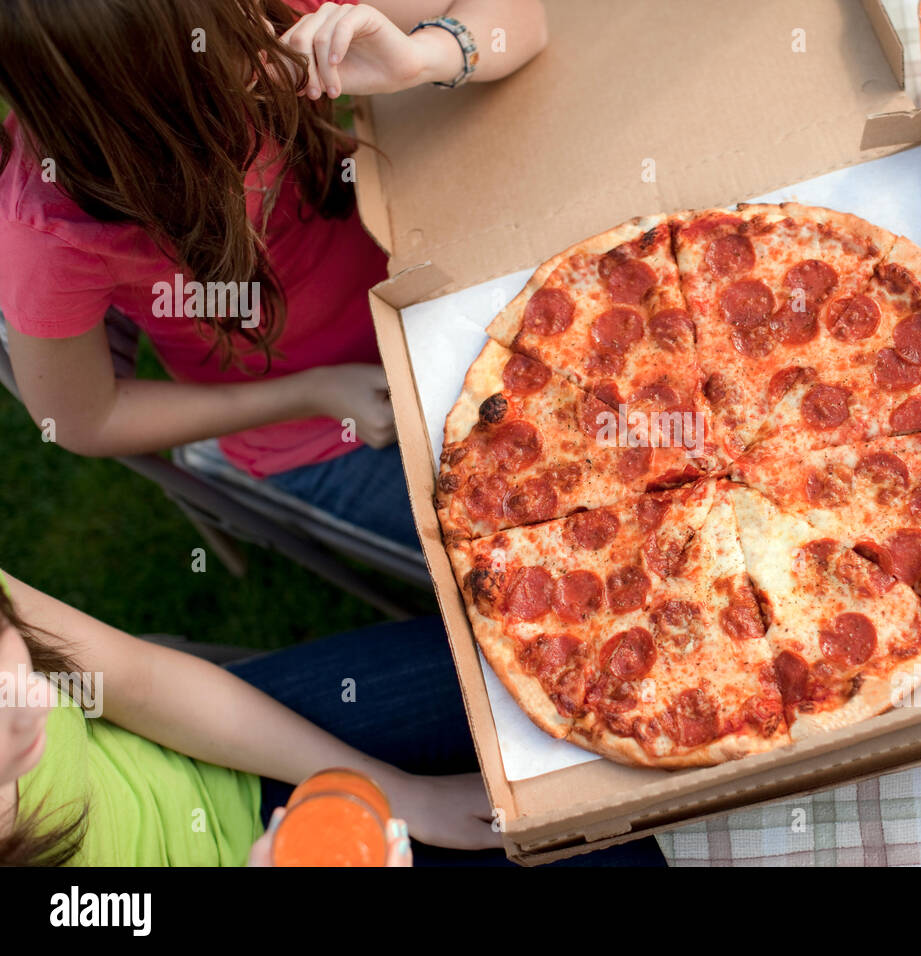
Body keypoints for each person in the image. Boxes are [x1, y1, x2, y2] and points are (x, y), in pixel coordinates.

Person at [0, 0, 549, 552]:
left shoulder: (245, 11)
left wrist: (422, 57)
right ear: (143, 95)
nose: (266, 32)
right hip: (331, 425)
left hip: (444, 296)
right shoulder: (47, 235)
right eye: (229, 43)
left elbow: (519, 19)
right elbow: (84, 419)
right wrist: (312, 395)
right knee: (524, 537)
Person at [0, 570, 667, 867]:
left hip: (219, 758)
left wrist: (404, 792)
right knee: (645, 853)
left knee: (564, 665)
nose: (28, 696)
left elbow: (141, 685)